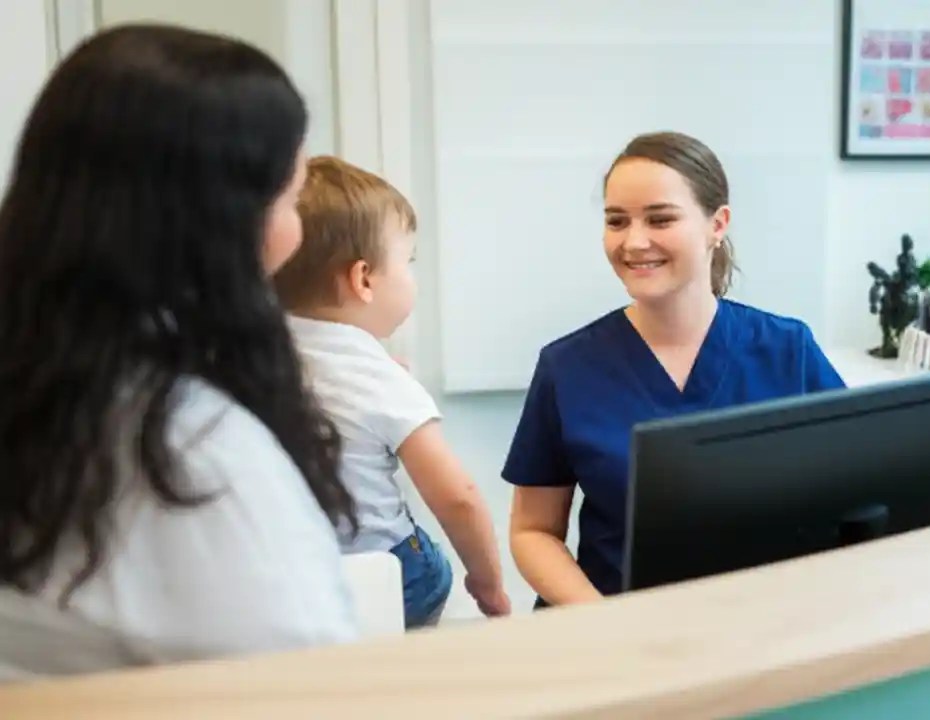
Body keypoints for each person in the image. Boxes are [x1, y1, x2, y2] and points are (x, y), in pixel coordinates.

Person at [0, 25, 359, 680]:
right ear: (223, 219)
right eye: (291, 194)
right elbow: (313, 691)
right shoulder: (192, 456)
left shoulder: (40, 394)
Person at [503, 131, 846, 605]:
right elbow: (533, 530)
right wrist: (602, 620)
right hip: (612, 634)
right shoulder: (566, 368)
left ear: (717, 224)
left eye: (660, 219)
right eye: (616, 221)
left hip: (757, 626)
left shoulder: (788, 351)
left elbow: (853, 498)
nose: (634, 241)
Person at [273, 156, 511, 625]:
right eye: (409, 261)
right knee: (431, 569)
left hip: (294, 575)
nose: (411, 275)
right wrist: (488, 583)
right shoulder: (382, 382)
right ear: (364, 279)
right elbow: (456, 496)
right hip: (392, 571)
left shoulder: (256, 355)